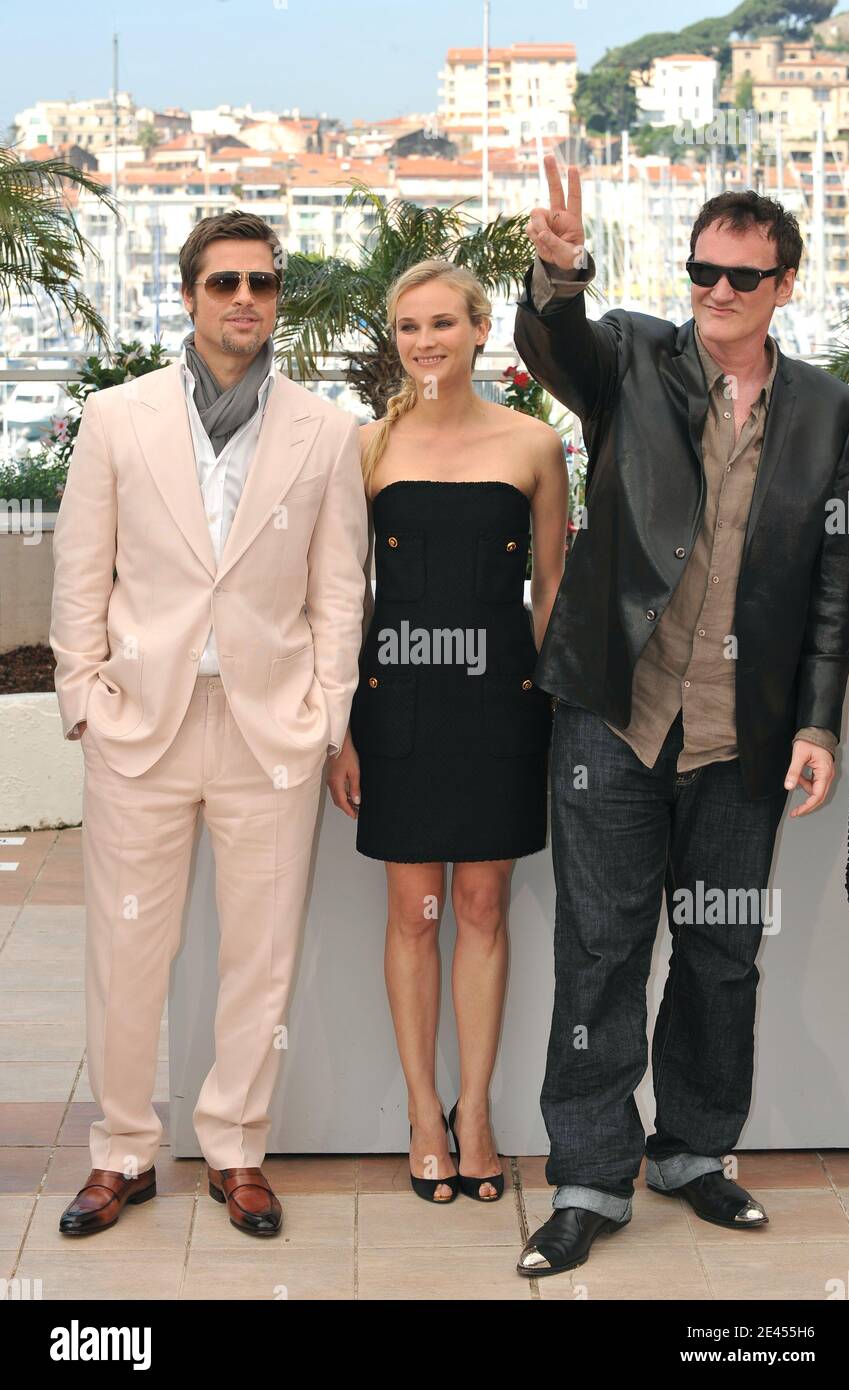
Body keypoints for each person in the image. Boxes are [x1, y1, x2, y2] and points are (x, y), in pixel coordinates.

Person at [512, 158, 849, 1276]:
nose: (717, 292)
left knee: (719, 954)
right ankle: (586, 1174)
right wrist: (558, 277)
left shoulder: (830, 414)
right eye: (703, 272)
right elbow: (550, 349)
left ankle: (693, 1150)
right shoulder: (626, 356)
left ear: (784, 285)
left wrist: (816, 727)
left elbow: (831, 584)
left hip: (741, 737)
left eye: (742, 277)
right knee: (600, 953)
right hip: (615, 718)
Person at [49, 210, 368, 1238]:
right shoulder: (116, 417)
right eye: (224, 282)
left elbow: (339, 590)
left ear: (277, 300)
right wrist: (81, 695)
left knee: (259, 954)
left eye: (262, 284)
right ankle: (124, 1148)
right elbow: (79, 570)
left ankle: (236, 1146)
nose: (244, 300)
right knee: (126, 950)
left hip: (269, 728)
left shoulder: (327, 430)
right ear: (186, 294)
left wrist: (327, 712)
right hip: (139, 721)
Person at [327, 259, 569, 1202]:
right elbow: (343, 598)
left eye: (441, 324)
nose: (424, 342)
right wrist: (341, 728)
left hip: (501, 700)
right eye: (408, 329)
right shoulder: (365, 448)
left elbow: (549, 593)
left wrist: (556, 716)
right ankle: (422, 1113)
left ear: (478, 330)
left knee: (481, 909)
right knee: (411, 913)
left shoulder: (534, 446)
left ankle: (477, 1112)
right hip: (397, 703)